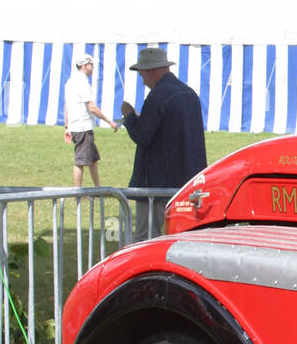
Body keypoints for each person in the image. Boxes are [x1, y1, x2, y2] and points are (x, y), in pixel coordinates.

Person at [120, 46, 207, 241]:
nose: (143, 80)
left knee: (146, 237)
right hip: (187, 180)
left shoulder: (157, 96)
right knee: (184, 236)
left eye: (143, 75)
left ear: (152, 71)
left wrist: (129, 116)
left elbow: (143, 136)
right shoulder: (189, 94)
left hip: (157, 183)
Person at [64, 53, 119, 186]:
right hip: (83, 126)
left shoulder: (70, 81)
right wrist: (109, 121)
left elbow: (66, 106)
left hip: (75, 125)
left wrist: (66, 127)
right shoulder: (82, 82)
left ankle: (97, 187)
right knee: (80, 161)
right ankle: (77, 191)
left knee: (93, 159)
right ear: (84, 66)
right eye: (91, 65)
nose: (93, 68)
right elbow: (92, 107)